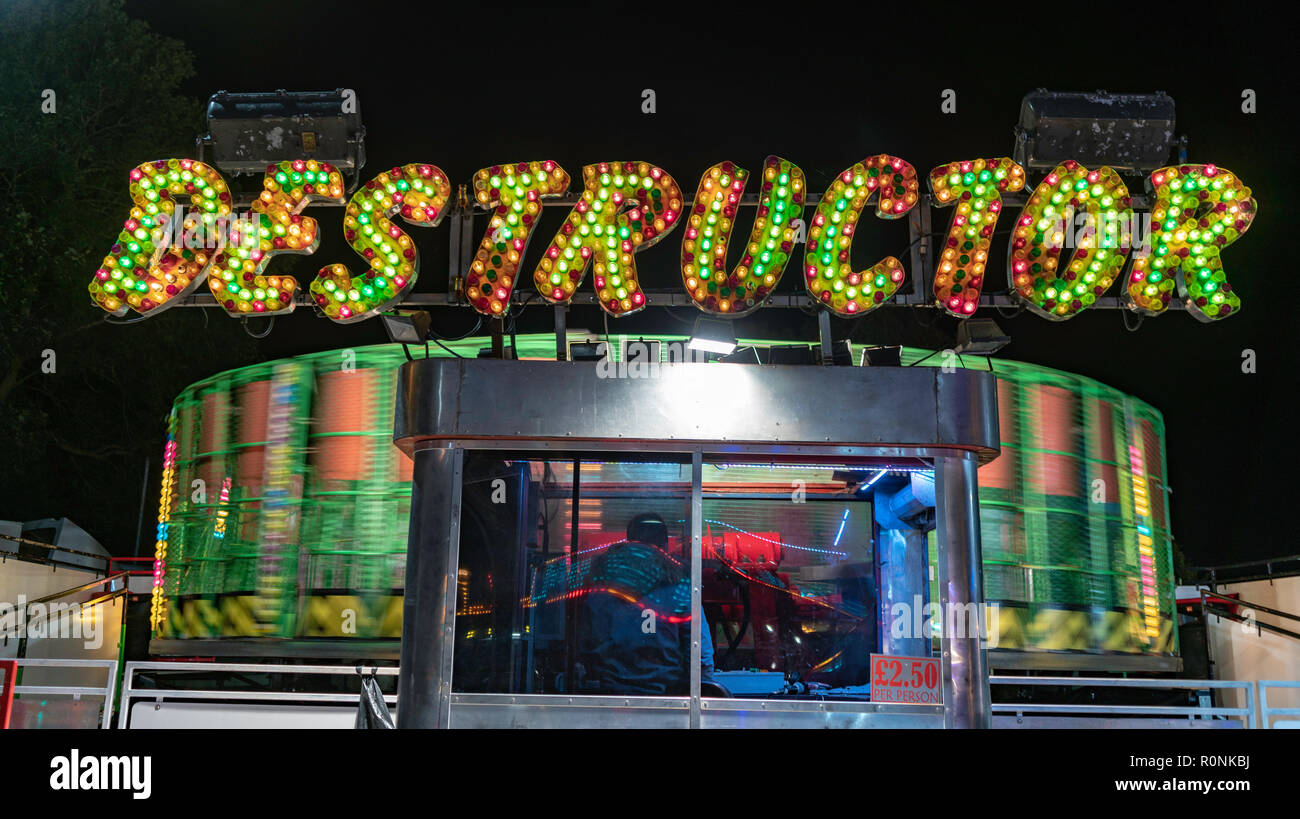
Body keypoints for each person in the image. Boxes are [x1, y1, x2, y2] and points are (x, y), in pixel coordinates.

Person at [574, 513, 717, 695]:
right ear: (664, 546)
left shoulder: (600, 588)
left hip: (611, 697)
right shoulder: (680, 589)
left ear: (629, 541)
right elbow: (700, 658)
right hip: (668, 699)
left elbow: (585, 650)